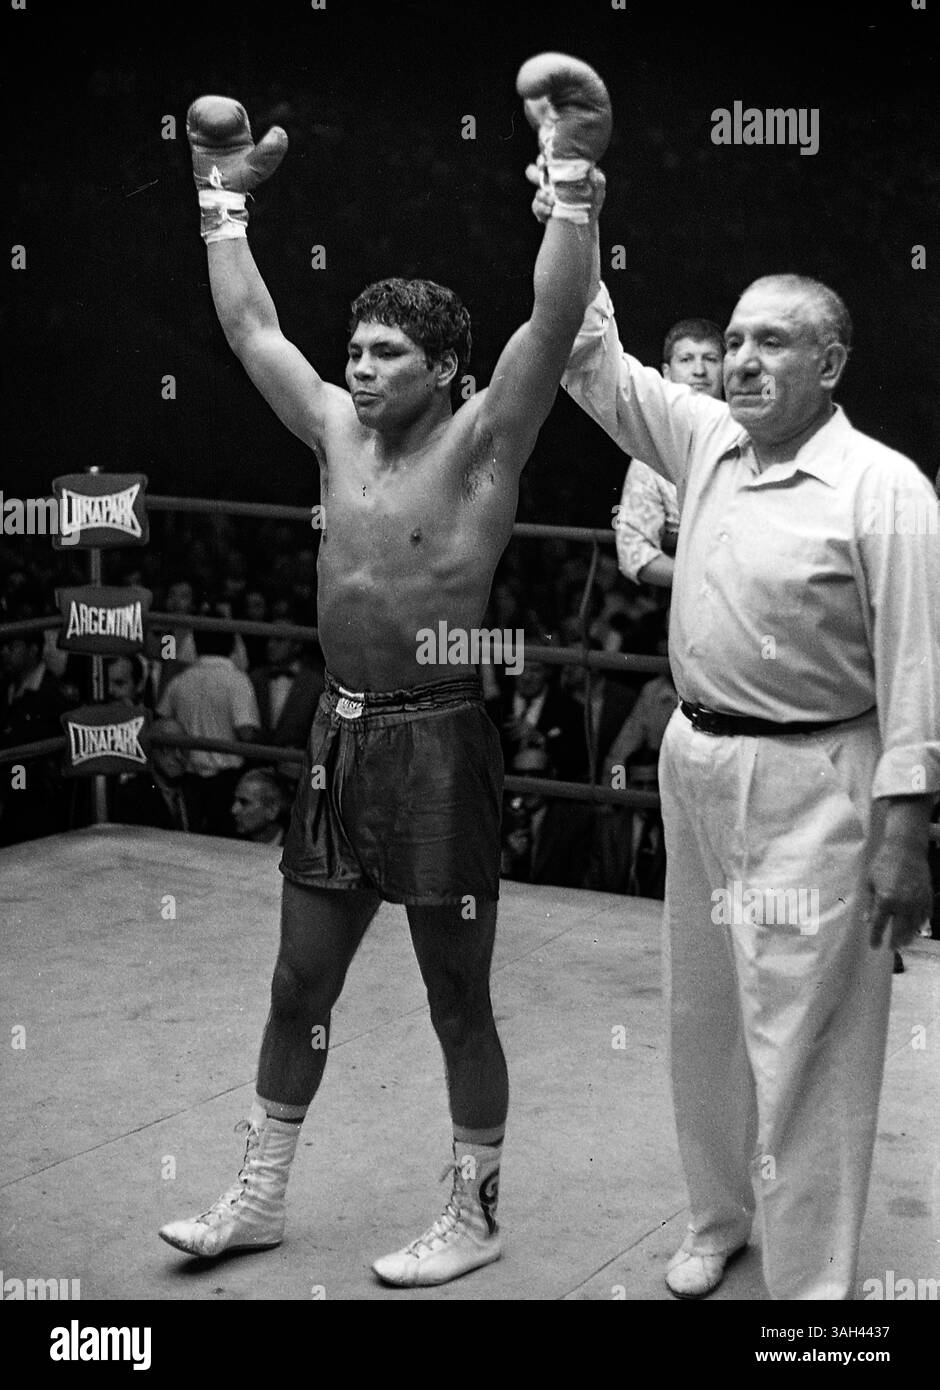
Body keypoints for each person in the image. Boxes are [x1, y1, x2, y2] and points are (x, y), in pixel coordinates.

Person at [158, 55, 611, 1288]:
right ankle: (257, 1194)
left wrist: (573, 173)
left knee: (454, 994)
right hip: (338, 735)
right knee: (299, 976)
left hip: (438, 742)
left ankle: (474, 1208)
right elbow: (251, 322)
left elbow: (552, 320)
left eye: (385, 354)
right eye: (354, 347)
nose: (357, 368)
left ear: (445, 372)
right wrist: (220, 194)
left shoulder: (483, 441)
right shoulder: (328, 430)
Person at [536, 182, 940, 1300]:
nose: (746, 359)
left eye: (776, 341)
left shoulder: (885, 489)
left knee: (809, 1046)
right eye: (739, 337)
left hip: (823, 777)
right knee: (703, 1012)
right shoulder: (702, 436)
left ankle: (812, 1299)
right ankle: (720, 1217)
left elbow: (918, 671)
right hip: (698, 761)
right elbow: (588, 358)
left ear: (833, 361)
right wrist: (571, 197)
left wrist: (906, 833)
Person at [614, 319, 724, 590]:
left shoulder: (756, 434)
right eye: (686, 359)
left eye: (710, 359)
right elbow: (634, 551)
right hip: (702, 606)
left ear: (726, 369)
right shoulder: (651, 454)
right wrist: (714, 583)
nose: (699, 371)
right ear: (666, 372)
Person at [156, 609, 261, 835]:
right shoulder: (237, 681)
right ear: (233, 644)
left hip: (189, 778)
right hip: (225, 781)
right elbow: (246, 734)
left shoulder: (180, 681)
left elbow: (161, 720)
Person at [231, 767, 286, 845]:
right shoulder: (228, 842)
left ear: (272, 810)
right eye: (235, 800)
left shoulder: (299, 850)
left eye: (244, 802)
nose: (234, 810)